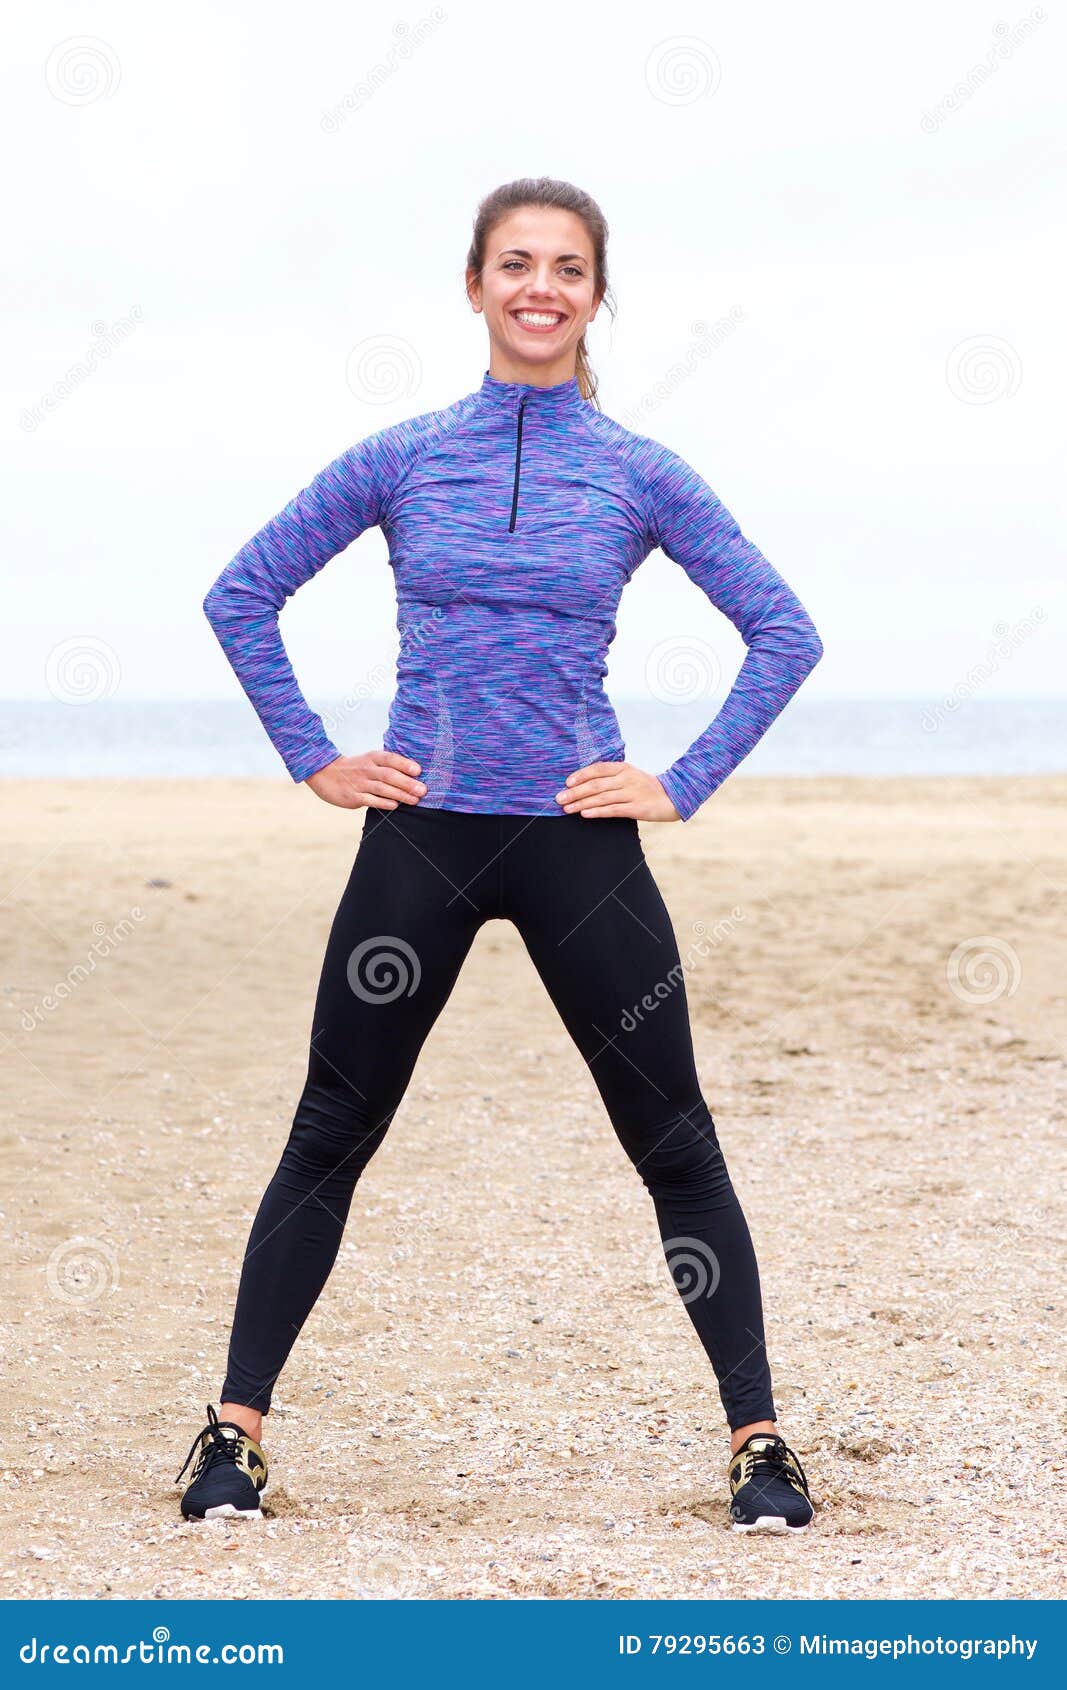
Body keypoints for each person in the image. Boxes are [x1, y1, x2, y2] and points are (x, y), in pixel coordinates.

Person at [176, 177, 823, 1533]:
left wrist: (680, 783)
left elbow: (784, 631)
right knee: (330, 1130)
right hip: (421, 836)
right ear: (474, 286)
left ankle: (760, 1442)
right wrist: (315, 755)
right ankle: (233, 1433)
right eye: (516, 263)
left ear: (596, 294)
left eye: (567, 267)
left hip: (580, 842)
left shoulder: (640, 472)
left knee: (676, 1141)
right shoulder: (403, 457)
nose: (541, 287)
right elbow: (241, 592)